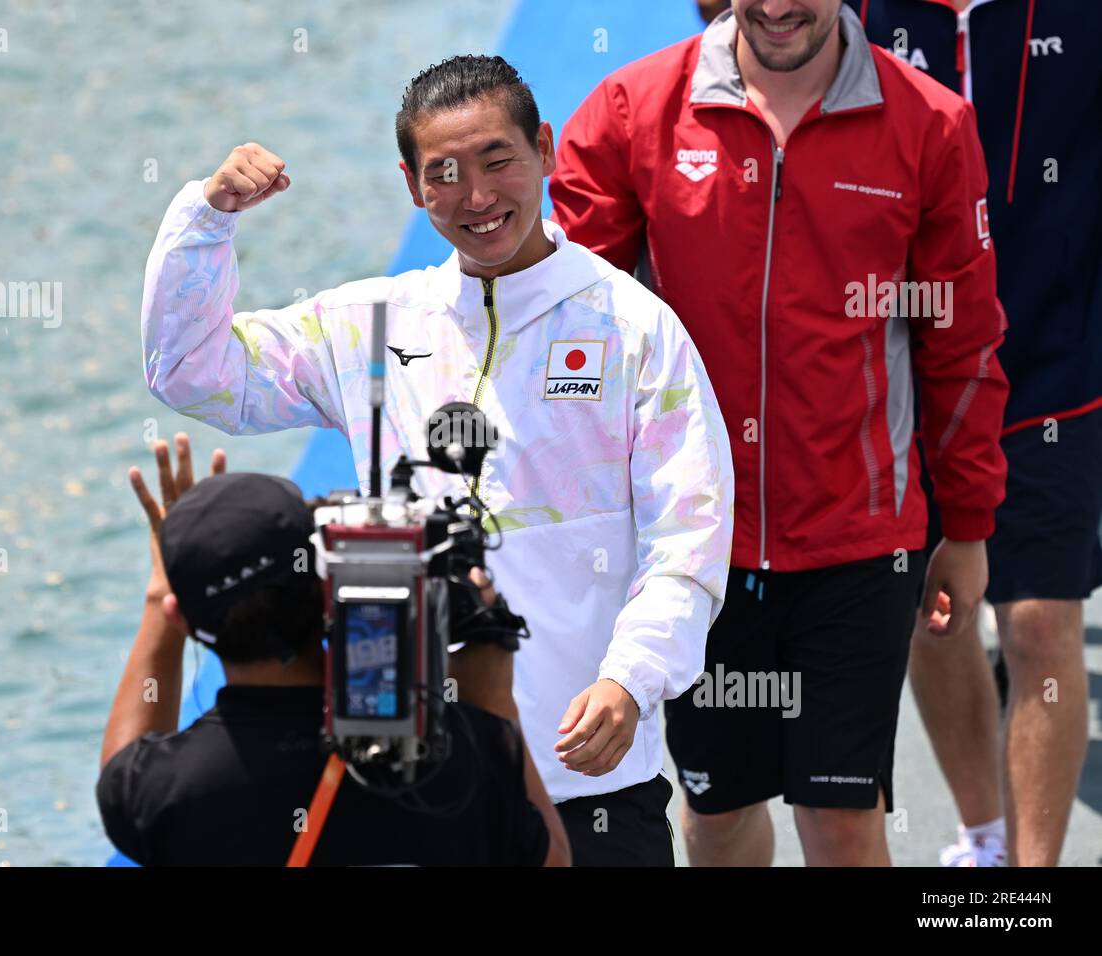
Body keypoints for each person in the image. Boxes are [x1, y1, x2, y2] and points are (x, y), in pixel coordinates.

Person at [139, 55, 734, 865]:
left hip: (587, 777)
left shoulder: (633, 328)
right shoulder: (367, 325)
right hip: (409, 788)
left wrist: (631, 678)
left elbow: (689, 537)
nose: (478, 196)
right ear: (413, 186)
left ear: (547, 150)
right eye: (445, 173)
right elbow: (192, 373)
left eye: (498, 161)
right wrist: (208, 221)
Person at [551, 0, 1009, 865]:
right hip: (695, 547)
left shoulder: (931, 124)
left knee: (841, 824)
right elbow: (564, 325)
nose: (777, 6)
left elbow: (966, 342)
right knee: (715, 819)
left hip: (860, 544)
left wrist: (972, 526)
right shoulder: (632, 111)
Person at [848, 0, 1102, 867]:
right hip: (906, 372)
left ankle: (1032, 881)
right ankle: (984, 836)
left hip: (1057, 371)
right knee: (938, 613)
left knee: (1038, 624)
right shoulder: (849, 16)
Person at [97, 435, 570, 866]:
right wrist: (494, 706)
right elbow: (553, 860)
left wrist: (160, 596)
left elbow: (119, 770)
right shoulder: (449, 757)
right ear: (329, 585)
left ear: (181, 618)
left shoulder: (166, 791)